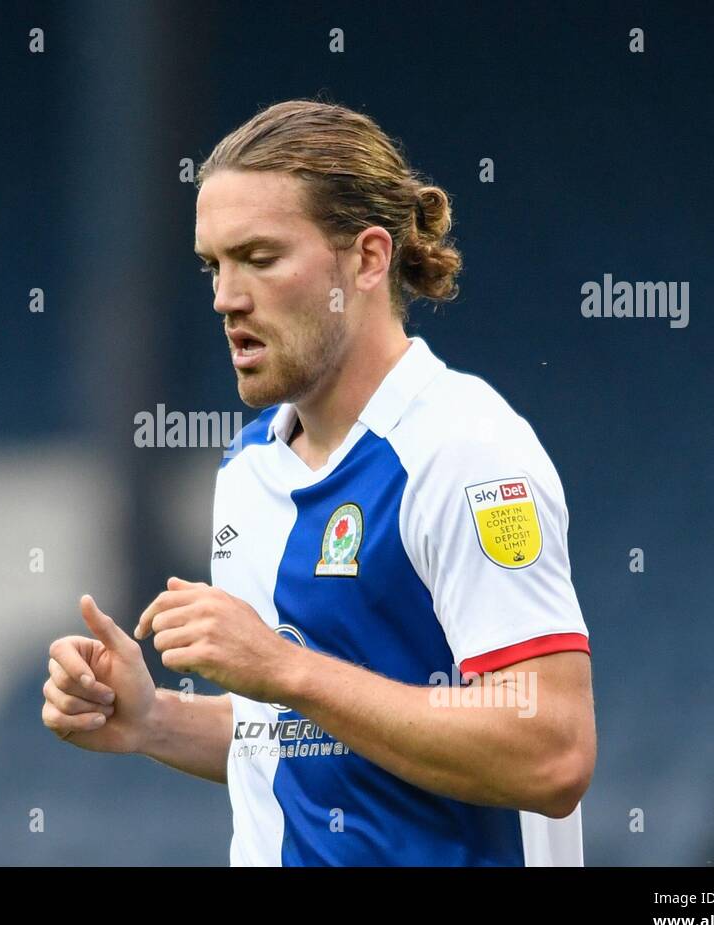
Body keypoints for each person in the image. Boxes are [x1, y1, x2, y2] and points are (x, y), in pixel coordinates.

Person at [42, 99, 595, 865]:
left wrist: (284, 668)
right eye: (213, 265)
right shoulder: (246, 468)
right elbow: (296, 739)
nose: (225, 297)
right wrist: (154, 721)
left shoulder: (467, 452)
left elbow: (553, 753)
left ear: (368, 260)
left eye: (260, 258)